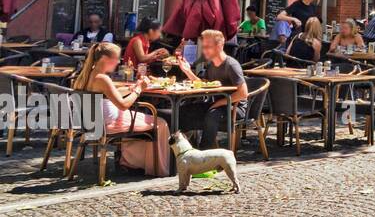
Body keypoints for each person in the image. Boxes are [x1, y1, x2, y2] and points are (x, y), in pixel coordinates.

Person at [73, 41, 171, 175]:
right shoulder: (102, 78)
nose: (119, 61)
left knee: (147, 118)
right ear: (106, 59)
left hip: (93, 122)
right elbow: (123, 106)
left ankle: (132, 162)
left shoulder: (87, 75)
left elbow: (110, 93)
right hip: (107, 124)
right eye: (116, 58)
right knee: (160, 123)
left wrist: (131, 88)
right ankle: (155, 167)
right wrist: (138, 91)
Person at [178, 29, 248, 150]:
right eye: (203, 46)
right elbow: (203, 85)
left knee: (212, 115)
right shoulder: (211, 65)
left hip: (236, 107)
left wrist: (218, 103)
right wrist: (187, 71)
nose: (204, 50)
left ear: (219, 46)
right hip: (216, 105)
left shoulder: (231, 65)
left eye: (207, 46)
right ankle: (189, 149)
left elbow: (243, 93)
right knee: (184, 111)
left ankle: (205, 152)